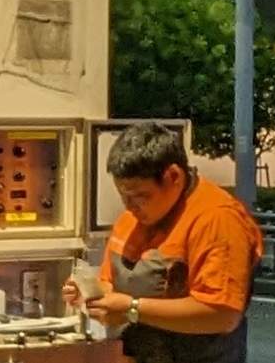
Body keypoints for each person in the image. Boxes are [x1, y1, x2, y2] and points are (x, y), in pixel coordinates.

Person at [69, 123, 264, 363]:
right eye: (123, 195)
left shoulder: (217, 219)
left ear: (174, 176)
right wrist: (93, 296)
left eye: (141, 196)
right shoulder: (130, 219)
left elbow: (222, 314)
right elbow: (111, 284)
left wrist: (132, 309)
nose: (130, 206)